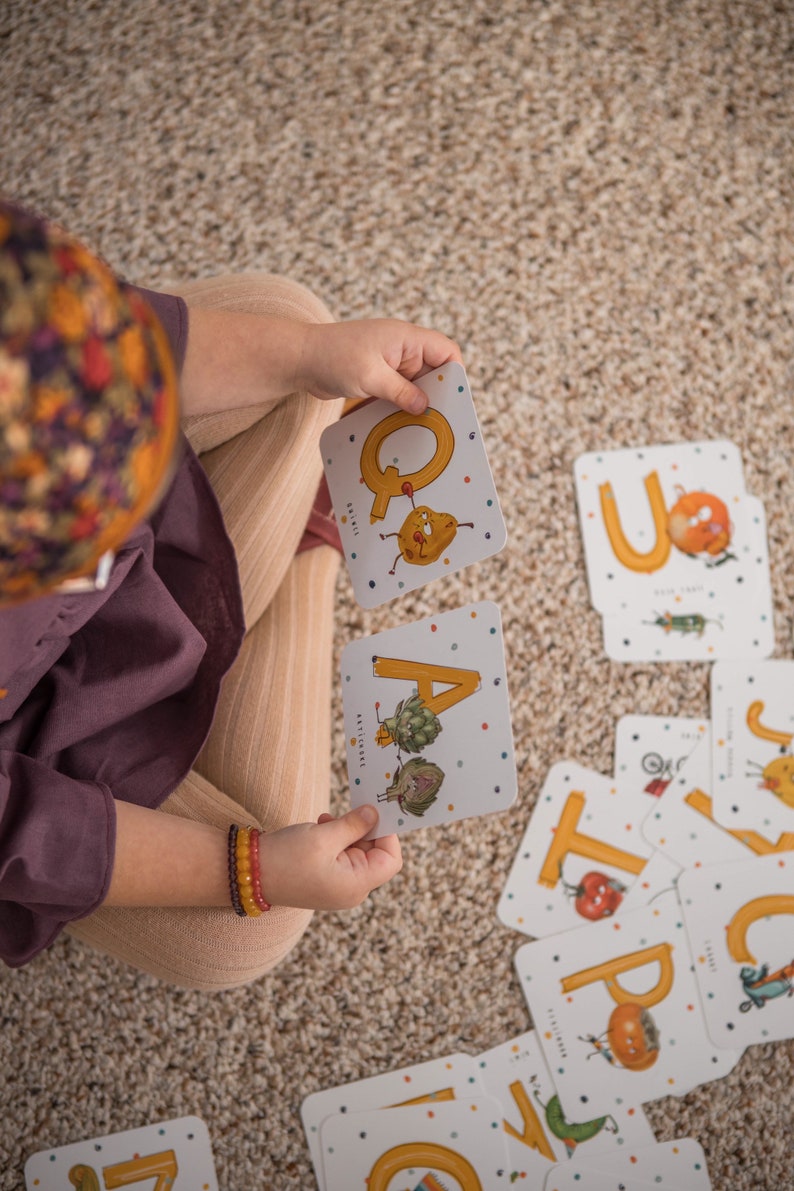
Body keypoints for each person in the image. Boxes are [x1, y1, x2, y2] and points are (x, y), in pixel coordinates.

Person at [0, 201, 462, 990]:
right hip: (46, 749)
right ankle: (310, 546)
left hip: (116, 552)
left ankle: (283, 518)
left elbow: (119, 339)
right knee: (252, 935)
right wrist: (251, 867)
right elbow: (22, 826)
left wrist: (308, 353)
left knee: (289, 319)